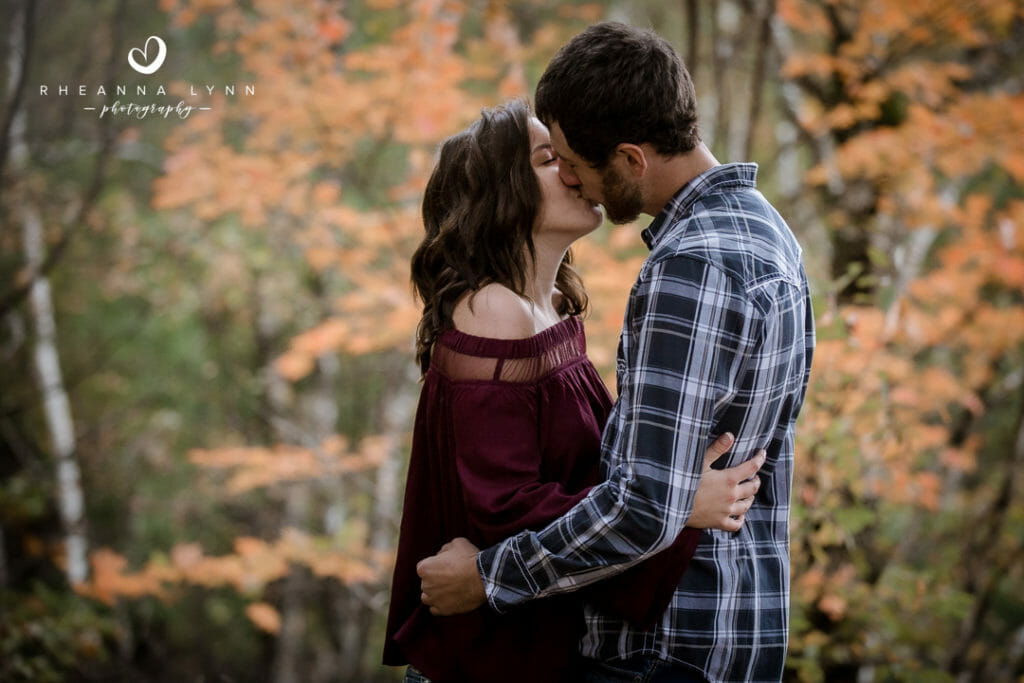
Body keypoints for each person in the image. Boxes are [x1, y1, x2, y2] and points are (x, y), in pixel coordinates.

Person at [417, 22, 816, 683]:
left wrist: (487, 576)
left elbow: (642, 508)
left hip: (665, 646)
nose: (574, 178)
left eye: (573, 161)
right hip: (737, 627)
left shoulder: (691, 266)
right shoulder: (766, 231)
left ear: (631, 159)